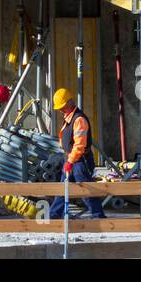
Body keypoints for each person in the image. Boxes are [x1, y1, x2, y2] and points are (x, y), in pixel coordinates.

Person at [48, 88, 104, 220]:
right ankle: (54, 216)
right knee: (63, 190)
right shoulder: (69, 117)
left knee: (85, 191)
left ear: (70, 102)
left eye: (62, 107)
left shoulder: (78, 120)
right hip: (72, 160)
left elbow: (80, 145)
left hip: (80, 162)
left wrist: (70, 161)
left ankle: (99, 217)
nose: (60, 110)